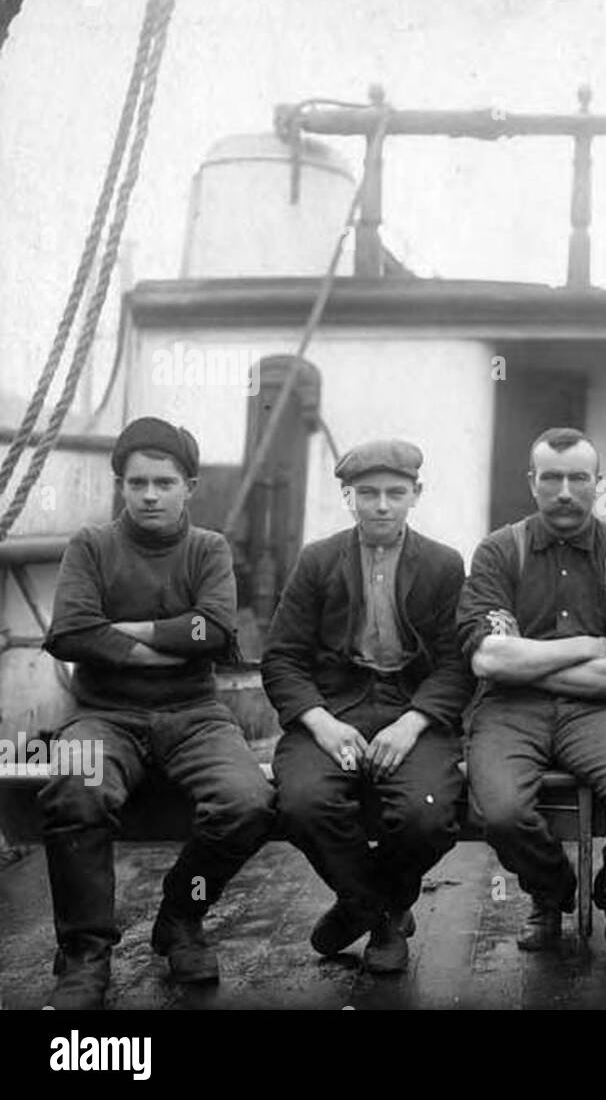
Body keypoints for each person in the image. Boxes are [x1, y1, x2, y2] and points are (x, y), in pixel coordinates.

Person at [40, 416, 275, 1009]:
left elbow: (214, 629)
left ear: (188, 486)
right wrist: (168, 643)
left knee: (248, 801)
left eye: (164, 483)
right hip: (102, 715)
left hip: (195, 713)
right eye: (137, 482)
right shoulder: (90, 546)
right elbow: (69, 634)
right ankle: (86, 953)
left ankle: (179, 918)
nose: (149, 495)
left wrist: (119, 634)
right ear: (120, 484)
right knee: (76, 789)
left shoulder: (208, 548)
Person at [261, 439, 472, 973]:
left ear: (415, 495)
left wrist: (413, 723)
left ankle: (369, 905)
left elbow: (456, 664)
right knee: (303, 802)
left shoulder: (444, 565)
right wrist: (321, 724)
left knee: (426, 814)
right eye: (368, 494)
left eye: (395, 493)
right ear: (348, 496)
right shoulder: (318, 560)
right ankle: (379, 912)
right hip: (335, 710)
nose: (381, 505)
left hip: (413, 712)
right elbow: (282, 657)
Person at [457, 427, 606, 957]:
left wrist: (524, 662)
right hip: (507, 713)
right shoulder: (500, 551)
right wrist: (591, 645)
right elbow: (487, 658)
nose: (565, 491)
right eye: (552, 478)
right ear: (533, 483)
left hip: (596, 714)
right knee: (500, 814)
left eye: (578, 478)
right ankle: (551, 894)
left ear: (599, 484)